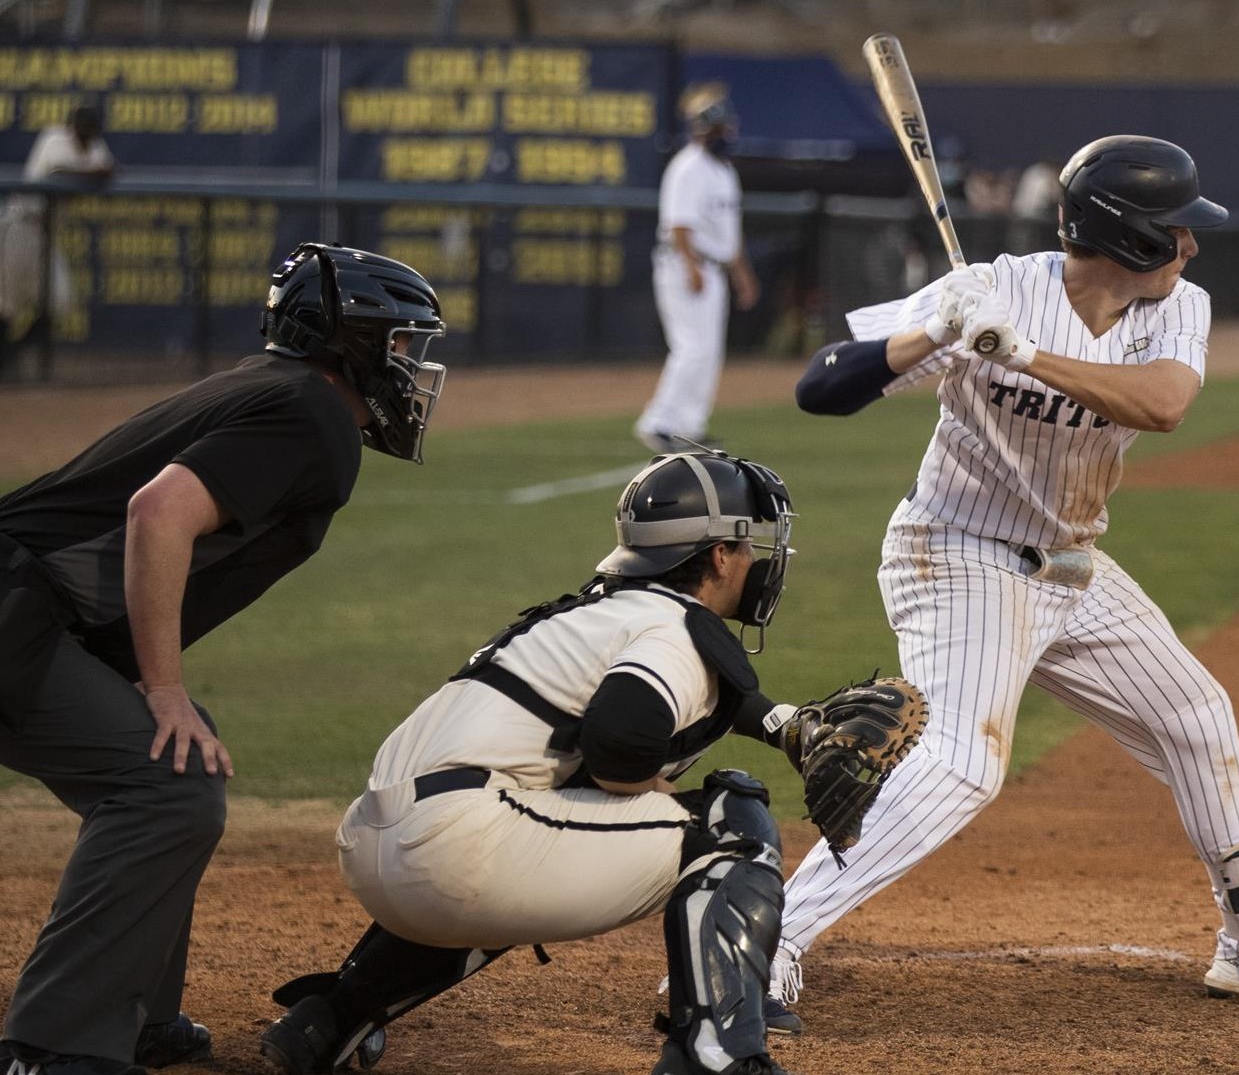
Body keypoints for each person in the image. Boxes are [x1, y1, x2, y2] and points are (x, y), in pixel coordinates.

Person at [775, 134, 1239, 1034]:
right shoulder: (991, 290)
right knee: (961, 763)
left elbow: (1163, 404)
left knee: (1195, 717)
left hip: (1070, 564)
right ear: (1133, 238)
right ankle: (760, 940)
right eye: (1177, 229)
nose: (1192, 245)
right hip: (960, 556)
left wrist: (1021, 356)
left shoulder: (1175, 306)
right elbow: (819, 387)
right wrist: (933, 334)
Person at [256, 448, 913, 1075]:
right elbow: (620, 741)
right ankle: (717, 1055)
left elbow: (706, 696)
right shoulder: (674, 631)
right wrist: (650, 788)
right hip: (461, 850)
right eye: (748, 547)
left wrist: (785, 726)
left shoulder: (598, 616)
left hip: (380, 850)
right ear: (718, 555)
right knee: (731, 825)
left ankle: (330, 1018)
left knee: (547, 827)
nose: (757, 563)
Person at [0, 243, 447, 1075]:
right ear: (347, 340)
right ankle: (53, 1047)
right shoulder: (313, 415)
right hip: (17, 616)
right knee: (168, 785)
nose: (409, 365)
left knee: (181, 761)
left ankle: (138, 1013)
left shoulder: (269, 386)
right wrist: (163, 687)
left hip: (28, 613)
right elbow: (158, 513)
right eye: (398, 343)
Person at [635, 82, 759, 454]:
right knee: (691, 348)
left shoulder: (724, 171)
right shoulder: (687, 167)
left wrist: (742, 274)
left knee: (708, 351)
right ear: (703, 131)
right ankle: (658, 422)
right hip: (683, 264)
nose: (726, 134)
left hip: (713, 268)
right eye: (718, 129)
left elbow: (730, 233)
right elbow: (679, 225)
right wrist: (692, 268)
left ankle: (690, 425)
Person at [0, 103, 116, 379]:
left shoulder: (95, 145)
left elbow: (111, 171)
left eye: (91, 128)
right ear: (72, 126)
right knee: (7, 304)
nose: (86, 132)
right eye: (81, 127)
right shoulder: (55, 138)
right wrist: (91, 174)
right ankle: (5, 364)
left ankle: (12, 354)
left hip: (46, 235)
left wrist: (91, 172)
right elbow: (57, 174)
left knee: (60, 302)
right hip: (20, 226)